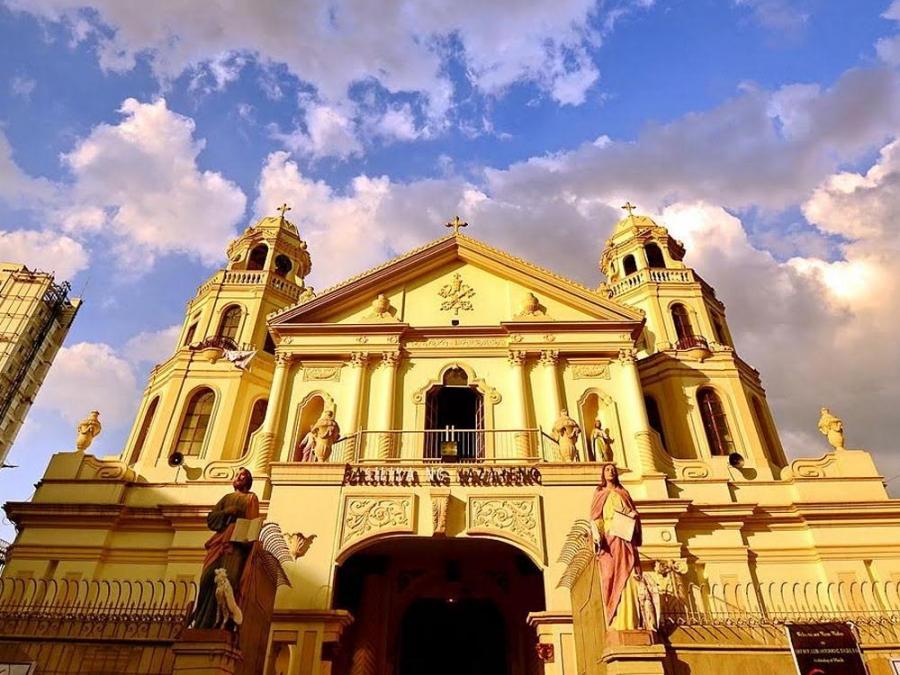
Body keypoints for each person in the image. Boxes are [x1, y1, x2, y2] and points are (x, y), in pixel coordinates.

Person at [190, 467, 259, 629]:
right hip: (219, 541)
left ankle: (226, 623)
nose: (238, 478)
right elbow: (211, 518)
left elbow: (252, 523)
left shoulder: (251, 498)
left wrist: (245, 540)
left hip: (235, 544)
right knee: (206, 579)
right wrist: (227, 511)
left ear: (248, 481)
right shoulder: (226, 498)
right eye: (237, 475)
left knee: (229, 581)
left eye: (242, 476)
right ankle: (201, 620)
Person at [591, 464, 643, 630]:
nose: (611, 472)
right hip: (608, 539)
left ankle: (628, 619)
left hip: (624, 537)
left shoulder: (624, 493)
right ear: (602, 474)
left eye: (613, 469)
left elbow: (632, 513)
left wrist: (633, 516)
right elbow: (596, 517)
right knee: (608, 576)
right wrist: (597, 535)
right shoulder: (600, 494)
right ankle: (612, 616)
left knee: (628, 574)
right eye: (607, 469)